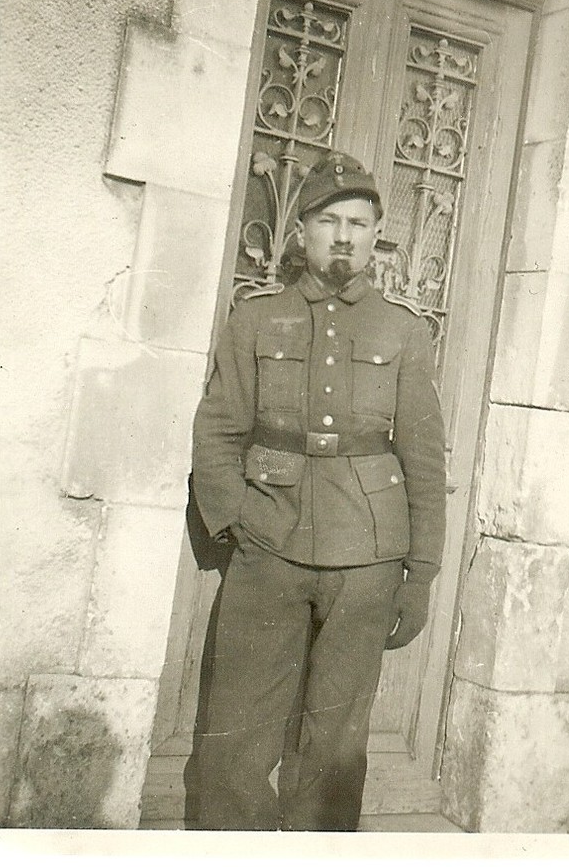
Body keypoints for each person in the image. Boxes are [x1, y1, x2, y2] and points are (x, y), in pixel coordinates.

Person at [190, 150, 446, 831]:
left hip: (367, 558)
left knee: (334, 745)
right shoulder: (255, 320)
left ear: (374, 238)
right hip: (268, 542)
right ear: (300, 231)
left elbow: (423, 460)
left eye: (358, 223)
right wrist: (236, 523)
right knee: (236, 736)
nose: (343, 236)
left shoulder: (403, 332)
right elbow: (216, 433)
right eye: (329, 220)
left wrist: (417, 577)